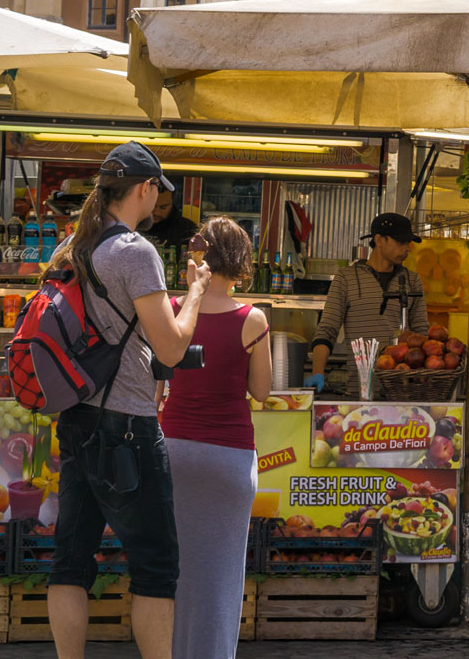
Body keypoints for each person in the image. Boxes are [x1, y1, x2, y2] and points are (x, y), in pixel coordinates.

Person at [48, 143, 213, 659]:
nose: (157, 201)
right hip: (127, 425)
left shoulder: (75, 247)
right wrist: (197, 293)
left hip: (77, 416)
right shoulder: (136, 252)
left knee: (70, 561)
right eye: (156, 191)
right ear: (144, 189)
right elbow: (170, 345)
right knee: (156, 564)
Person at [160, 218, 272, 659]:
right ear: (241, 260)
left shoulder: (173, 309)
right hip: (230, 460)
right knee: (222, 579)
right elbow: (261, 391)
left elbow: (156, 384)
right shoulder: (253, 318)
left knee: (175, 573)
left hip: (175, 452)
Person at [305, 212, 427, 395]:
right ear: (378, 240)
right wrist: (317, 372)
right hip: (359, 391)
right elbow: (327, 330)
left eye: (408, 243)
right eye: (400, 242)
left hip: (403, 391)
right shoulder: (346, 278)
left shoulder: (412, 281)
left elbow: (421, 333)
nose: (407, 248)